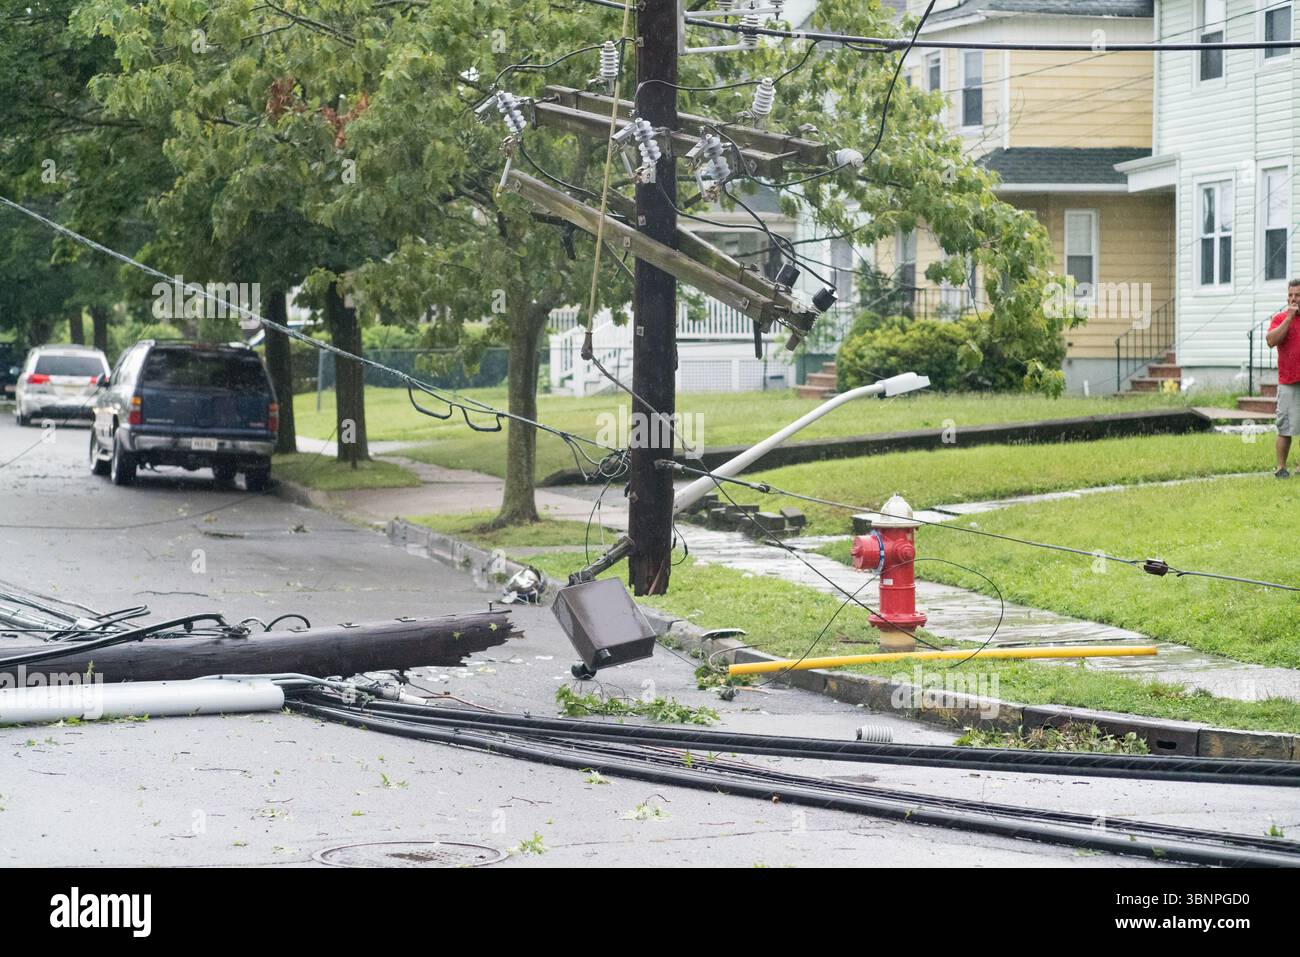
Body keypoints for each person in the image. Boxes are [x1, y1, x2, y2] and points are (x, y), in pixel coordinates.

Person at [1265, 279, 1300, 478]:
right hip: (1289, 382)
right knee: (1285, 428)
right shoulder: (1280, 318)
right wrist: (1289, 318)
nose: (1293, 299)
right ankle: (1281, 468)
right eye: (1290, 295)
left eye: (1298, 295)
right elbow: (1270, 341)